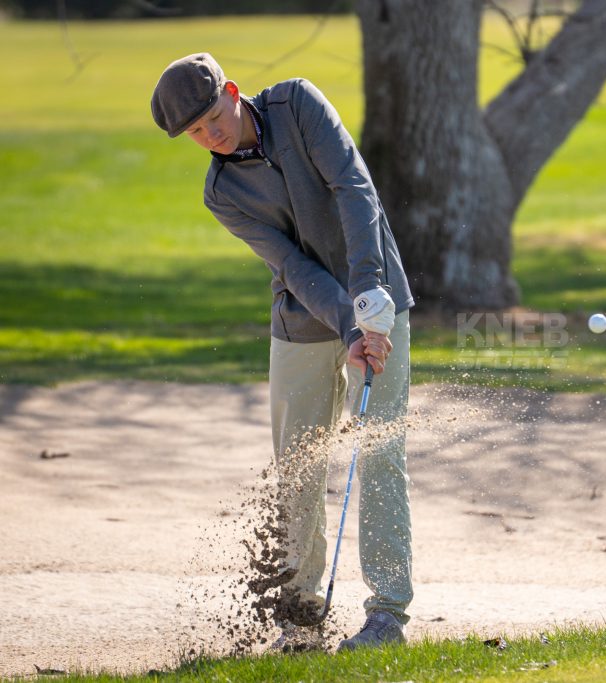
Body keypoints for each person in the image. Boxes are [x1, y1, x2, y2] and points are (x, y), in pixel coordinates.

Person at [151, 53, 415, 653]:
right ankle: (297, 617)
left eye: (213, 117)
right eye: (195, 132)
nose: (210, 135)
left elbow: (354, 186)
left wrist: (370, 294)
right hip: (304, 319)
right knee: (296, 469)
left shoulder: (297, 103)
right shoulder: (221, 193)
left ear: (234, 92)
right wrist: (350, 327)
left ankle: (387, 616)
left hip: (380, 297)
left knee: (379, 455)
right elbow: (292, 266)